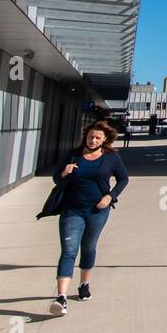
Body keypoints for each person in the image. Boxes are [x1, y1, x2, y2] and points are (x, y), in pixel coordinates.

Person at [48, 120, 129, 316]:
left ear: (105, 140)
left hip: (97, 211)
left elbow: (123, 178)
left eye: (97, 138)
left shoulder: (112, 158)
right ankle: (61, 298)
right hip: (72, 210)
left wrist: (110, 196)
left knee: (88, 248)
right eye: (90, 136)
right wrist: (63, 173)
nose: (92, 140)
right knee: (68, 250)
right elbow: (57, 178)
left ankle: (84, 284)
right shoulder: (74, 154)